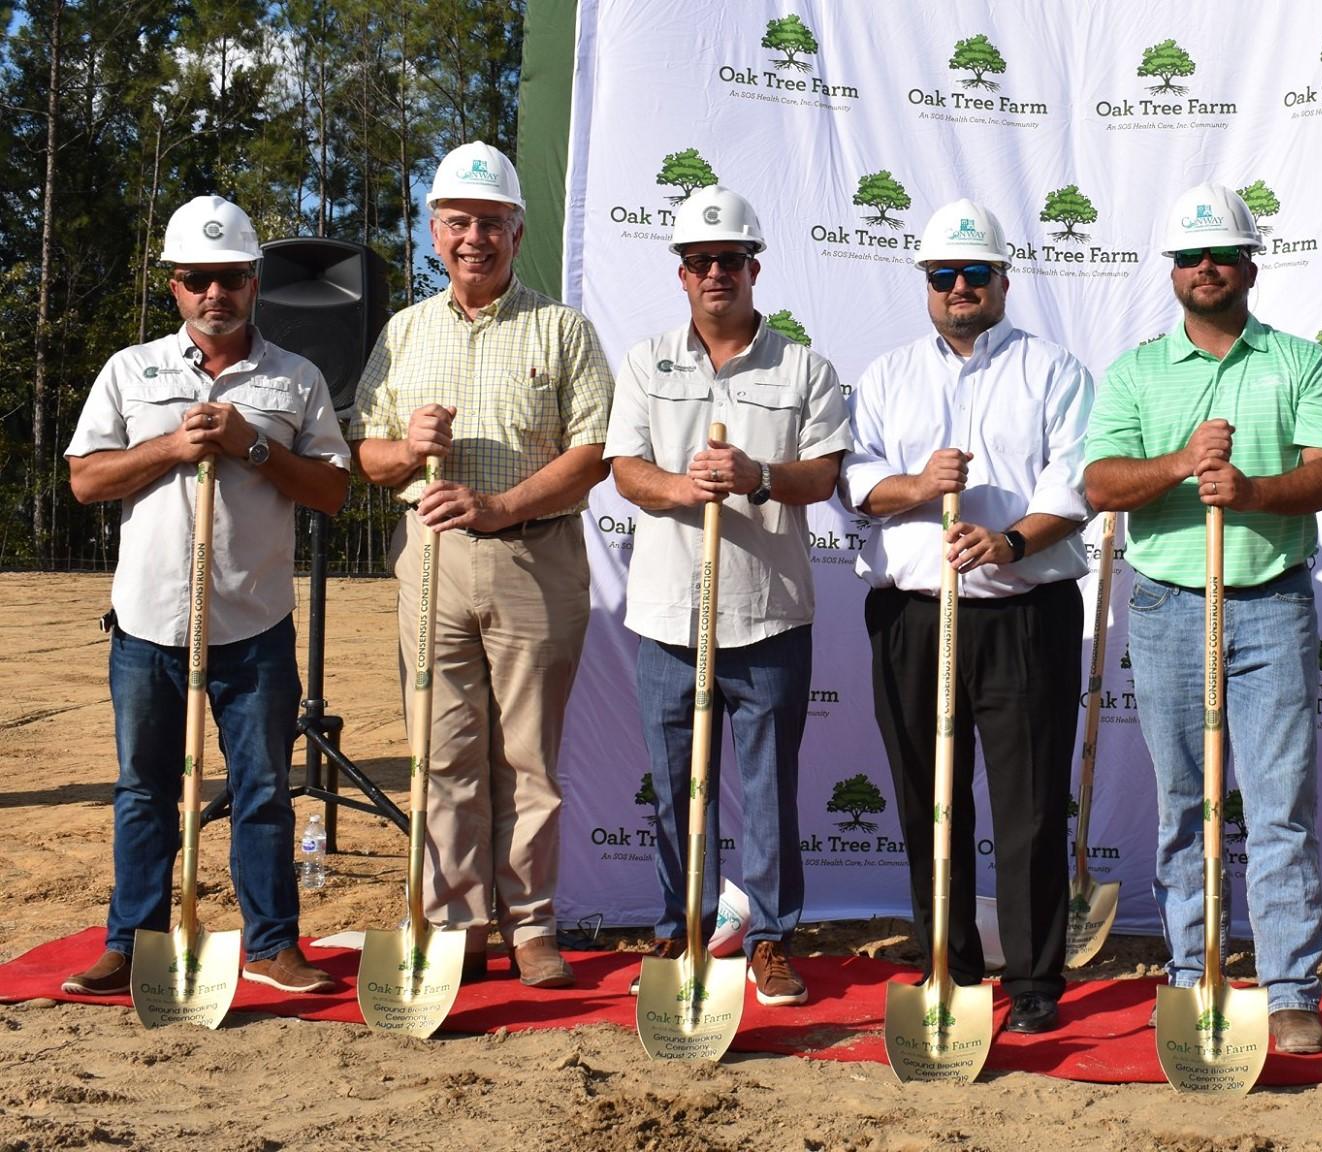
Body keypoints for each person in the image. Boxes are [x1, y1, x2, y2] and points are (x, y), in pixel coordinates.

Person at [1083, 182, 1322, 1055]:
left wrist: (1251, 491)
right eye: (1191, 257)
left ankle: (1288, 989)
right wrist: (1178, 464)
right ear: (1173, 270)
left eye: (1221, 255)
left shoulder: (1300, 363)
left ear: (1248, 264)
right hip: (1167, 606)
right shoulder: (1136, 372)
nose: (1207, 269)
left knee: (1279, 807)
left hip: (1271, 601)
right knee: (1182, 808)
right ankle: (1193, 975)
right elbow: (1099, 487)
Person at [62, 195, 351, 997]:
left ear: (254, 282)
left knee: (262, 794)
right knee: (142, 791)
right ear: (174, 286)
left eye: (229, 278)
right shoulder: (130, 369)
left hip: (253, 629)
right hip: (150, 625)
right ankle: (133, 940)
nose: (213, 294)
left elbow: (331, 491)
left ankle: (272, 945)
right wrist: (170, 446)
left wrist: (250, 445)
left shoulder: (297, 379)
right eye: (196, 279)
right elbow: (87, 479)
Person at [349, 141, 615, 988]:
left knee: (527, 757)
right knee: (443, 751)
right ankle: (457, 920)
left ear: (516, 230)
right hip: (431, 561)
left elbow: (595, 453)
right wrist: (404, 450)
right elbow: (364, 452)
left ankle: (531, 925)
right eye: (458, 223)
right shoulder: (403, 333)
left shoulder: (561, 327)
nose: (474, 239)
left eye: (491, 223)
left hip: (535, 560)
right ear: (434, 232)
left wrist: (499, 507)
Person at [841, 199, 1092, 1035]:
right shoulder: (885, 377)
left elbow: (1075, 484)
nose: (958, 288)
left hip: (1022, 614)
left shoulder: (1053, 371)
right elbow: (855, 484)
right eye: (943, 275)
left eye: (974, 274)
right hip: (912, 616)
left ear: (1002, 281)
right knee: (926, 798)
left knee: (1028, 807)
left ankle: (1031, 984)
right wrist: (921, 486)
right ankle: (945, 960)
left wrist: (1011, 541)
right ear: (926, 284)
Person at [608, 186, 850, 1004]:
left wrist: (759, 477)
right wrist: (686, 489)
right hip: (670, 614)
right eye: (700, 262)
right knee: (676, 784)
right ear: (682, 274)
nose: (716, 273)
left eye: (730, 260)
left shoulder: (803, 367)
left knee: (768, 789)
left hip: (769, 615)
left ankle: (773, 937)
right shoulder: (647, 361)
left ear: (755, 268)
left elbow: (824, 472)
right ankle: (681, 920)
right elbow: (625, 470)